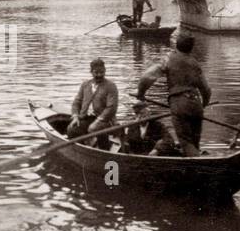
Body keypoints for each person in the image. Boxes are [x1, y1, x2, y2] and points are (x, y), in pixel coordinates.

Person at [135, 29, 211, 157]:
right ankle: (194, 168)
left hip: (180, 103)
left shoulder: (169, 59)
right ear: (191, 48)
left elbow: (146, 77)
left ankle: (202, 169)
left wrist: (141, 94)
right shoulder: (195, 64)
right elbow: (207, 90)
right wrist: (203, 105)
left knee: (186, 143)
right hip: (196, 104)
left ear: (176, 44)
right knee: (194, 143)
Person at [67, 58, 118, 148]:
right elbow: (77, 102)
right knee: (72, 130)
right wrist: (75, 116)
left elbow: (111, 108)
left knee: (95, 129)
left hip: (105, 119)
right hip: (86, 117)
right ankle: (84, 150)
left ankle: (104, 150)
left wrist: (98, 121)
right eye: (96, 72)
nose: (99, 75)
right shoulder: (85, 84)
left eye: (102, 72)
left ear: (105, 71)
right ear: (91, 72)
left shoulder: (111, 86)